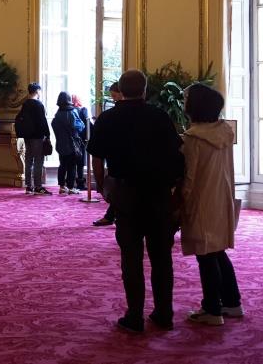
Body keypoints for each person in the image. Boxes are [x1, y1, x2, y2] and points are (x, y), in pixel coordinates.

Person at [87, 69, 184, 333]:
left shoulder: (108, 118)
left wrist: (103, 187)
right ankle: (164, 313)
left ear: (121, 89)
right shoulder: (160, 116)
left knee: (131, 257)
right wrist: (176, 189)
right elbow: (177, 155)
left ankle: (134, 315)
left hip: (126, 193)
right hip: (158, 193)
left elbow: (97, 158)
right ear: (144, 89)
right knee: (161, 257)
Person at [180, 83, 243, 326]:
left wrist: (180, 201)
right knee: (217, 252)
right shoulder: (224, 132)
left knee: (205, 255)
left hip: (201, 199)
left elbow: (190, 177)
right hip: (220, 197)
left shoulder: (193, 138)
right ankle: (232, 302)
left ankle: (212, 308)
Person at [93, 82, 123, 227]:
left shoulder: (108, 117)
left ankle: (111, 217)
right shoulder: (156, 115)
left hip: (118, 165)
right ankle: (111, 216)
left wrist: (100, 181)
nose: (113, 99)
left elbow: (96, 154)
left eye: (114, 95)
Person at [15, 82, 51, 195]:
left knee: (28, 160)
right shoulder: (38, 105)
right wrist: (48, 135)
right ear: (37, 91)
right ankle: (38, 186)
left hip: (27, 136)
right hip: (37, 136)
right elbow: (43, 122)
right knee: (38, 161)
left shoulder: (25, 104)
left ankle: (29, 186)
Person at [51, 91, 85, 195]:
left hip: (60, 143)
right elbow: (80, 126)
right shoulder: (73, 112)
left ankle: (62, 186)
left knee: (62, 165)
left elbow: (54, 125)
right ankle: (71, 187)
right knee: (72, 166)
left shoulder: (57, 113)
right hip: (72, 143)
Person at [71, 95, 90, 191]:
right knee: (80, 163)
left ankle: (70, 183)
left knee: (72, 162)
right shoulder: (83, 110)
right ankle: (80, 184)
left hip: (72, 140)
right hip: (82, 140)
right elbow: (87, 124)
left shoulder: (69, 111)